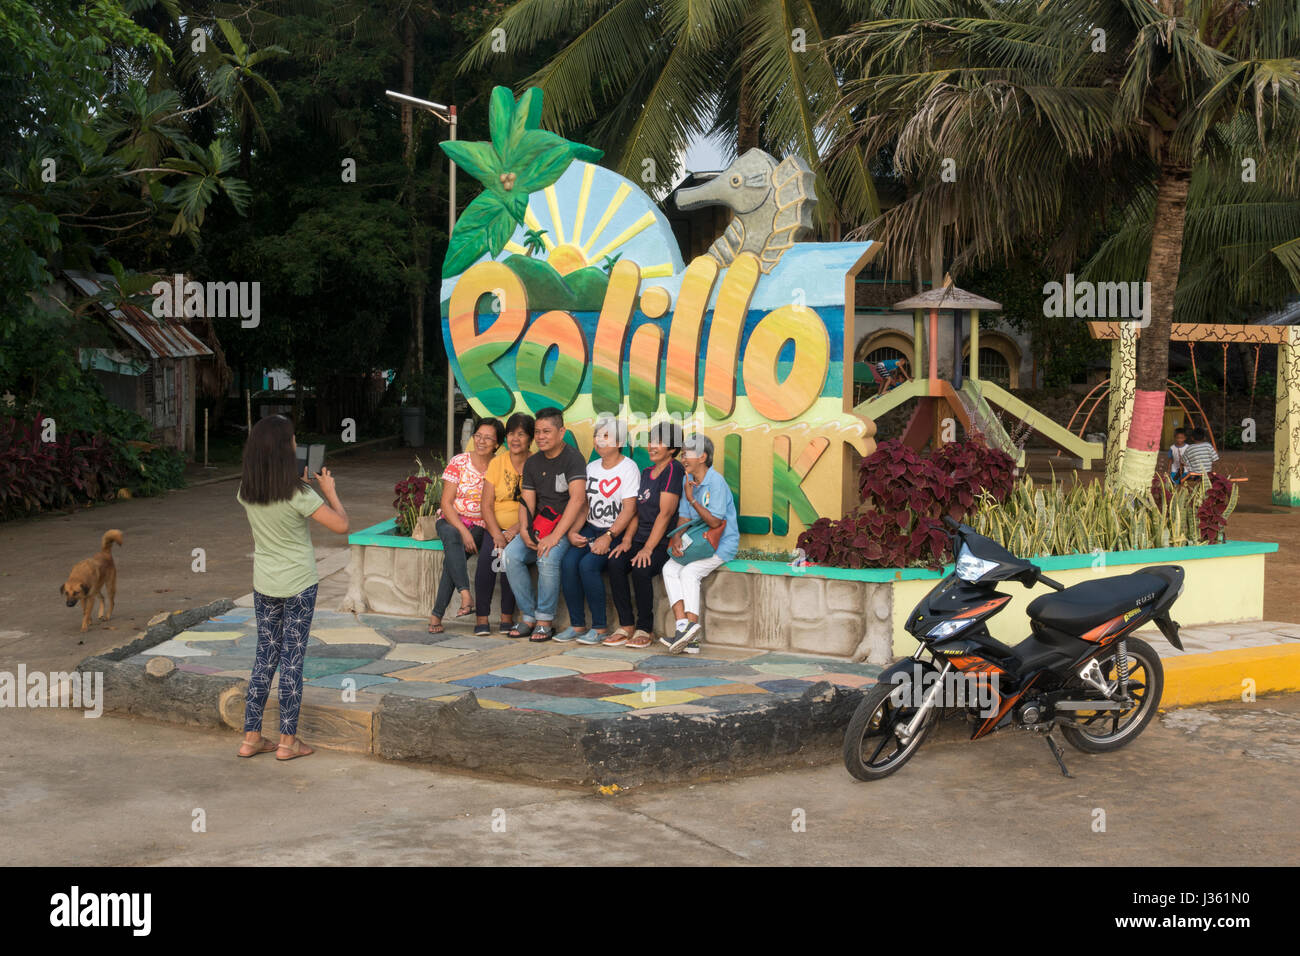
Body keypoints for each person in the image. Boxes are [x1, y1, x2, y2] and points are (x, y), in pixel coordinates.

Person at [235, 415, 348, 761]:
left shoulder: (246, 490)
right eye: (294, 440)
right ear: (285, 450)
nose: (298, 444)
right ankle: (288, 741)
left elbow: (273, 491)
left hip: (265, 583)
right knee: (292, 660)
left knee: (264, 659)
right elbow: (341, 525)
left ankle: (251, 737)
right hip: (299, 585)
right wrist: (328, 492)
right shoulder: (300, 495)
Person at [502, 406, 588, 642]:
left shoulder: (573, 459)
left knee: (547, 557)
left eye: (546, 431)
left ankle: (545, 620)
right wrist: (524, 530)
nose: (540, 437)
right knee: (510, 556)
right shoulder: (533, 462)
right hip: (538, 526)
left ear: (561, 432)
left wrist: (556, 536)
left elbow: (578, 500)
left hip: (563, 528)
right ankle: (528, 616)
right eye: (538, 432)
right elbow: (526, 501)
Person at [554, 417, 640, 644]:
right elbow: (584, 505)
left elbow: (630, 509)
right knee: (568, 563)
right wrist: (573, 531)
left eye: (605, 436)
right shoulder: (590, 468)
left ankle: (600, 628)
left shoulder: (628, 468)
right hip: (591, 527)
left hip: (615, 532)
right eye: (597, 436)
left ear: (620, 441)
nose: (598, 440)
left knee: (588, 565)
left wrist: (609, 536)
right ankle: (577, 625)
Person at [605, 420, 684, 649]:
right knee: (615, 561)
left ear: (671, 449)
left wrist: (648, 548)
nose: (651, 446)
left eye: (659, 442)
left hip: (661, 541)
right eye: (650, 440)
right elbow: (637, 511)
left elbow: (665, 514)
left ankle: (644, 628)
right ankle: (626, 625)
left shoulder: (673, 469)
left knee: (641, 568)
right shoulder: (646, 471)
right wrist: (628, 540)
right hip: (639, 537)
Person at [661, 434, 738, 654]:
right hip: (696, 542)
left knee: (689, 573)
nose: (683, 458)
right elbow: (684, 518)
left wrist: (692, 497)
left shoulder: (716, 482)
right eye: (682, 454)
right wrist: (676, 538)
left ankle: (691, 635)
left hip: (720, 545)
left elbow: (715, 521)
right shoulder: (689, 481)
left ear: (703, 456)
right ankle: (683, 629)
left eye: (688, 454)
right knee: (669, 567)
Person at [428, 417, 504, 634]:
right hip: (451, 519)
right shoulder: (459, 461)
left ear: (497, 444)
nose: (481, 441)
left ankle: (437, 614)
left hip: (481, 525)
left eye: (488, 438)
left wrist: (473, 532)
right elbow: (446, 502)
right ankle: (465, 594)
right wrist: (464, 531)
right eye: (478, 436)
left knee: (452, 559)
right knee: (453, 538)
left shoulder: (498, 466)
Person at [478, 413, 534, 635]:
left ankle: (506, 617)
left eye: (521, 434)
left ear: (530, 439)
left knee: (510, 559)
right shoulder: (497, 463)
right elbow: (486, 505)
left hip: (523, 528)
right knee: (487, 560)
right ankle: (481, 617)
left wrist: (515, 530)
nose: (515, 439)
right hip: (494, 527)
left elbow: (536, 507)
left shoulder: (536, 463)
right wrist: (497, 534)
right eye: (511, 433)